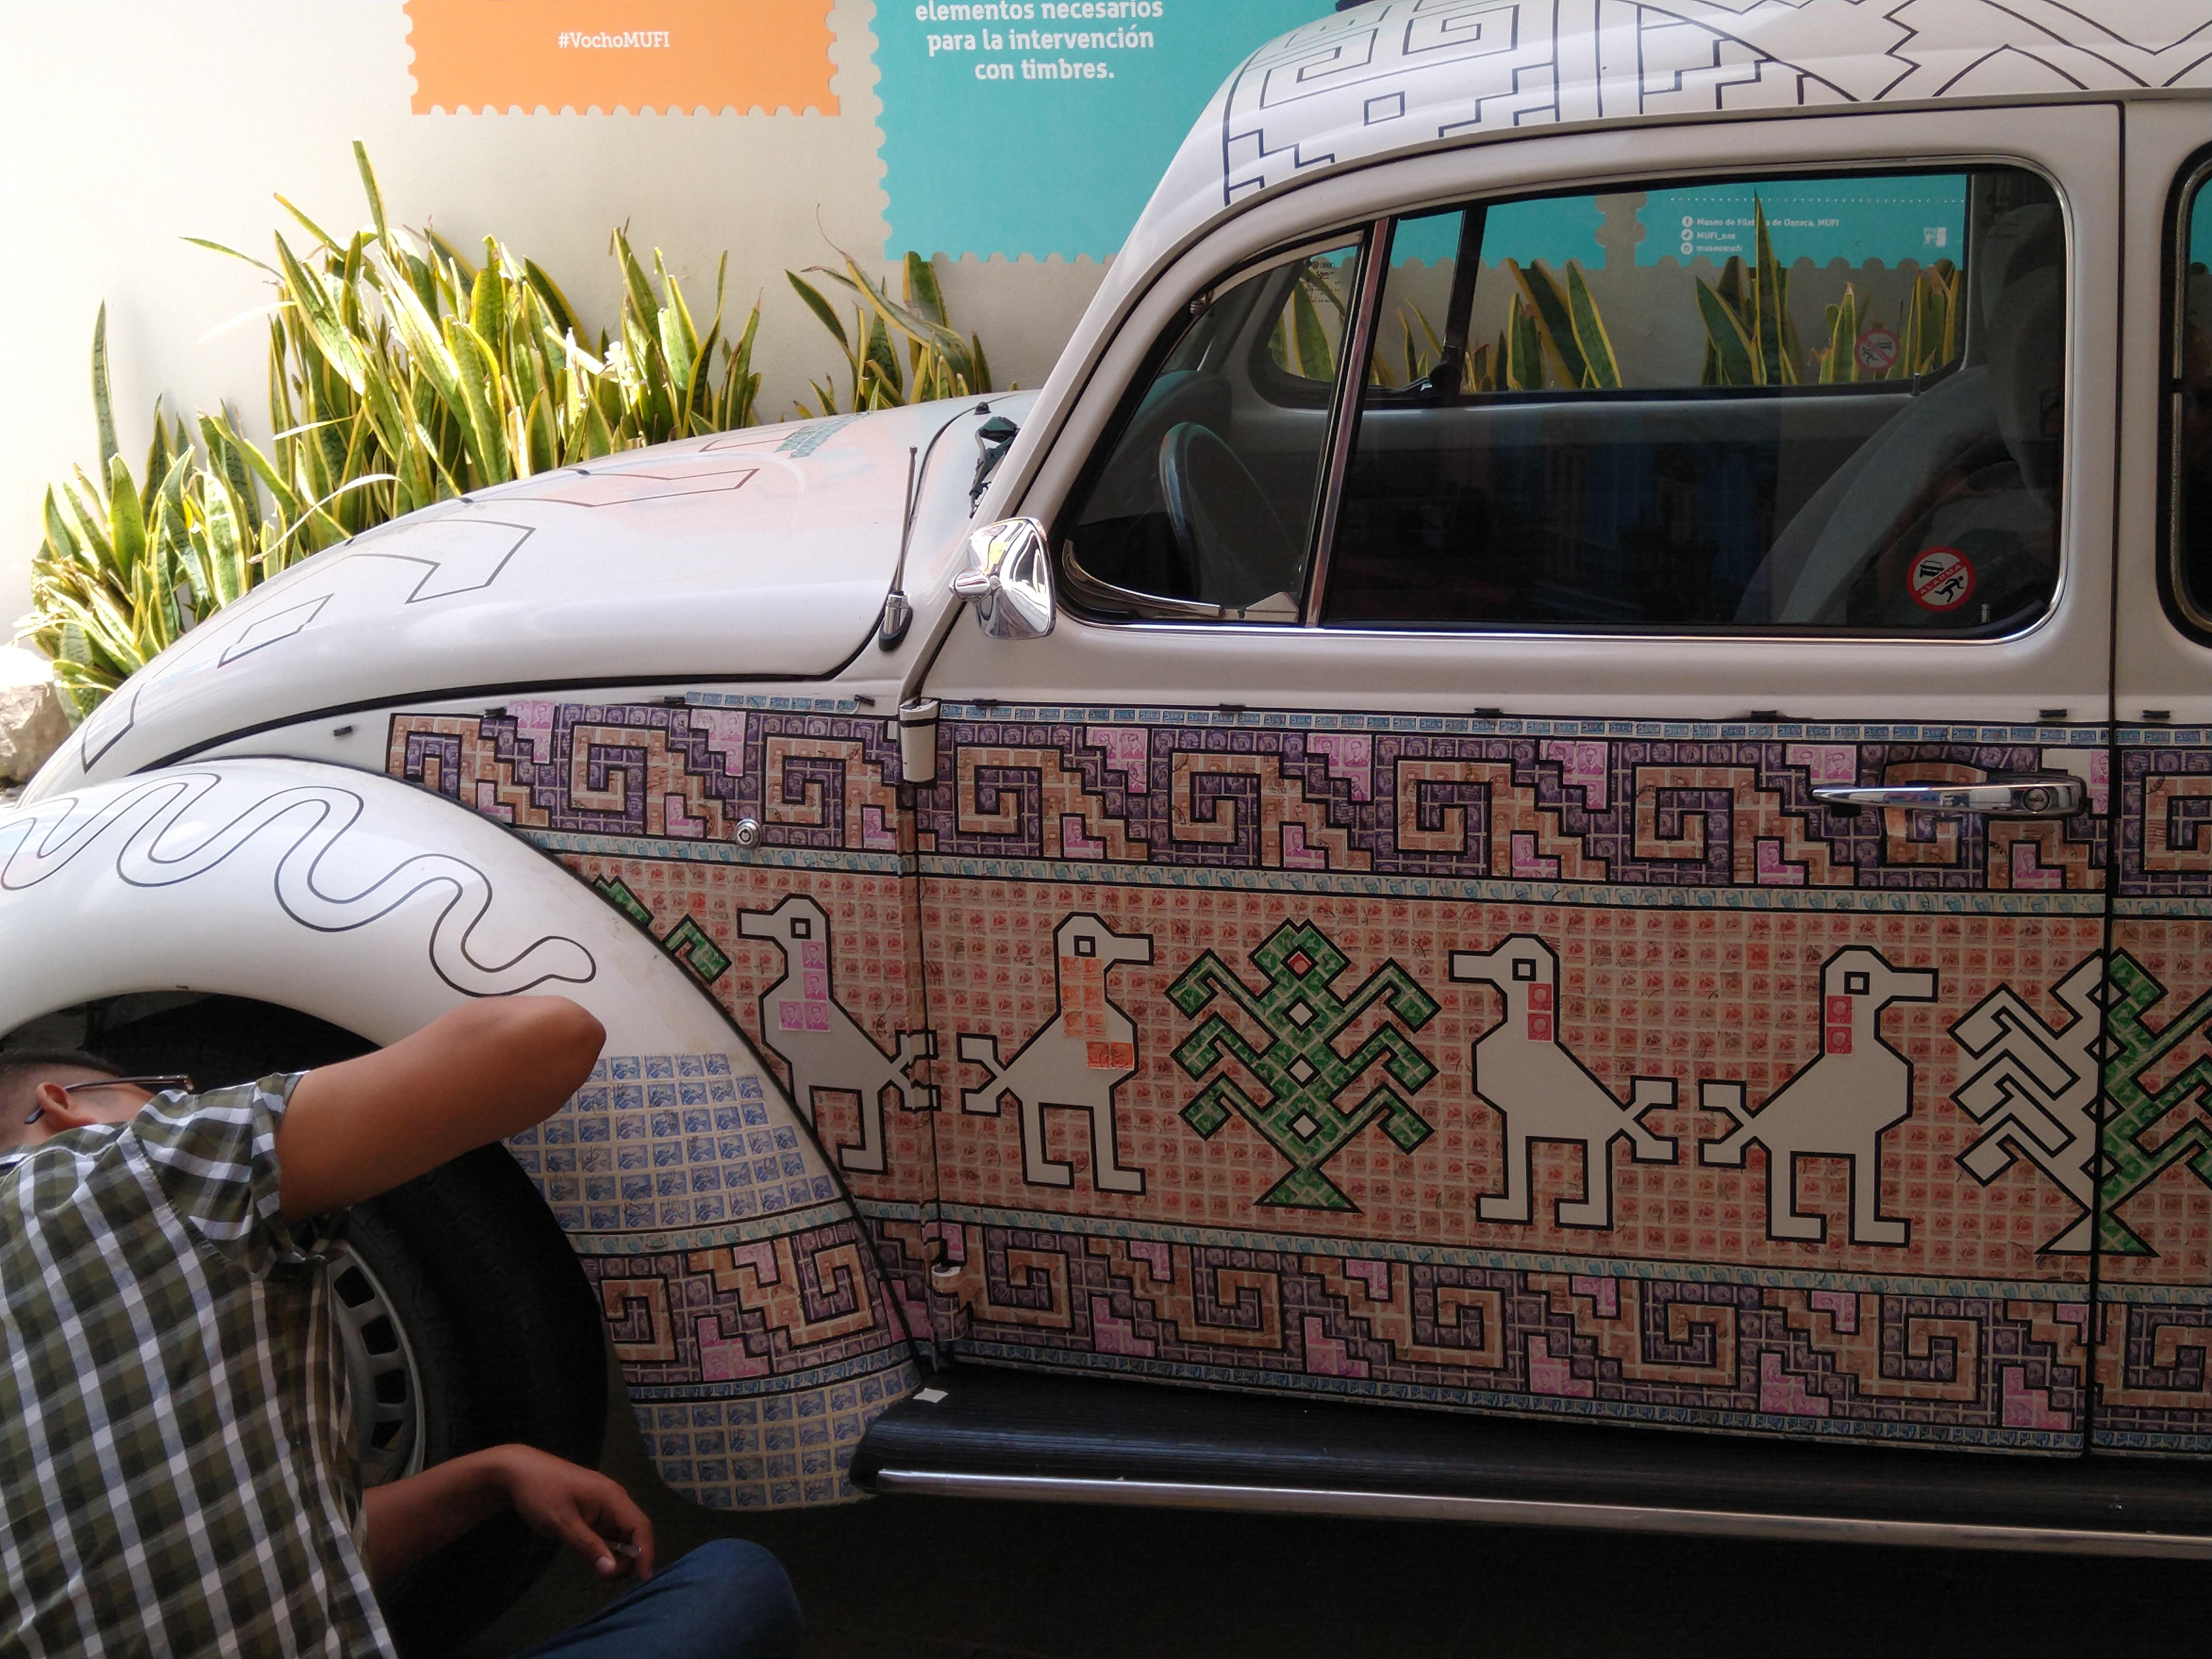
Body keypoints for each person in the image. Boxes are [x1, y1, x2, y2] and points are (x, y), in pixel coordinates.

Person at [0, 998, 804, 1658]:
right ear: (62, 1106)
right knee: (739, 1583)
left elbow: (212, 1562)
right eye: (163, 1089)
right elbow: (549, 1038)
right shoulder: (129, 1167)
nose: (177, 1103)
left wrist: (488, 1474)